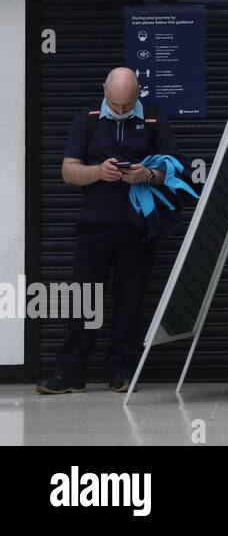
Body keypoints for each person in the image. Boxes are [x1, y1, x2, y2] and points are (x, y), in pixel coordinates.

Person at [38, 67, 179, 394]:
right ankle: (70, 371)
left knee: (130, 302)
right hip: (95, 225)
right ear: (103, 90)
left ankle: (121, 370)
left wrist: (146, 175)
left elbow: (173, 171)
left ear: (138, 92)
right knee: (84, 300)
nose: (119, 111)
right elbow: (68, 172)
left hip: (138, 226)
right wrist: (99, 172)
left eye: (126, 105)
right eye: (113, 104)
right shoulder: (85, 121)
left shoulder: (156, 121)